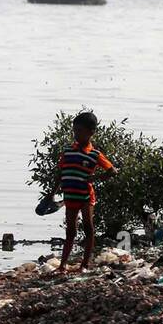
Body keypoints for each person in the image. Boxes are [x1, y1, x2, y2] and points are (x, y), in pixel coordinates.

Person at [52, 111, 117, 270]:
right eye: (74, 131)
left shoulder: (95, 154)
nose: (76, 134)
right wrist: (52, 194)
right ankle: (62, 265)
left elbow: (112, 171)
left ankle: (85, 264)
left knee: (88, 228)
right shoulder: (68, 151)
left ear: (91, 132)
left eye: (79, 131)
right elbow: (60, 173)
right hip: (70, 195)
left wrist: (95, 179)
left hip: (86, 196)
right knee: (70, 231)